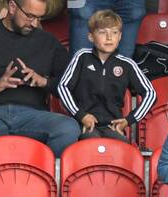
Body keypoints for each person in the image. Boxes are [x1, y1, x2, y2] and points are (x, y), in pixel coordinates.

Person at [0, 0, 79, 157]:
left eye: (39, 18)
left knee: (68, 128)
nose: (35, 24)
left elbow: (72, 85)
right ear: (12, 7)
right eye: (30, 16)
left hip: (33, 113)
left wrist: (44, 82)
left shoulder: (48, 42)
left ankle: (40, 177)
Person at [57, 10, 155, 141]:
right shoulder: (82, 57)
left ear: (120, 37)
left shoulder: (127, 64)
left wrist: (129, 120)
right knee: (89, 145)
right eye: (102, 32)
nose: (109, 37)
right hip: (85, 126)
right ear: (91, 37)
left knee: (121, 151)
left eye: (114, 32)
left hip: (113, 127)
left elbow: (151, 94)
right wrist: (81, 115)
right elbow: (63, 87)